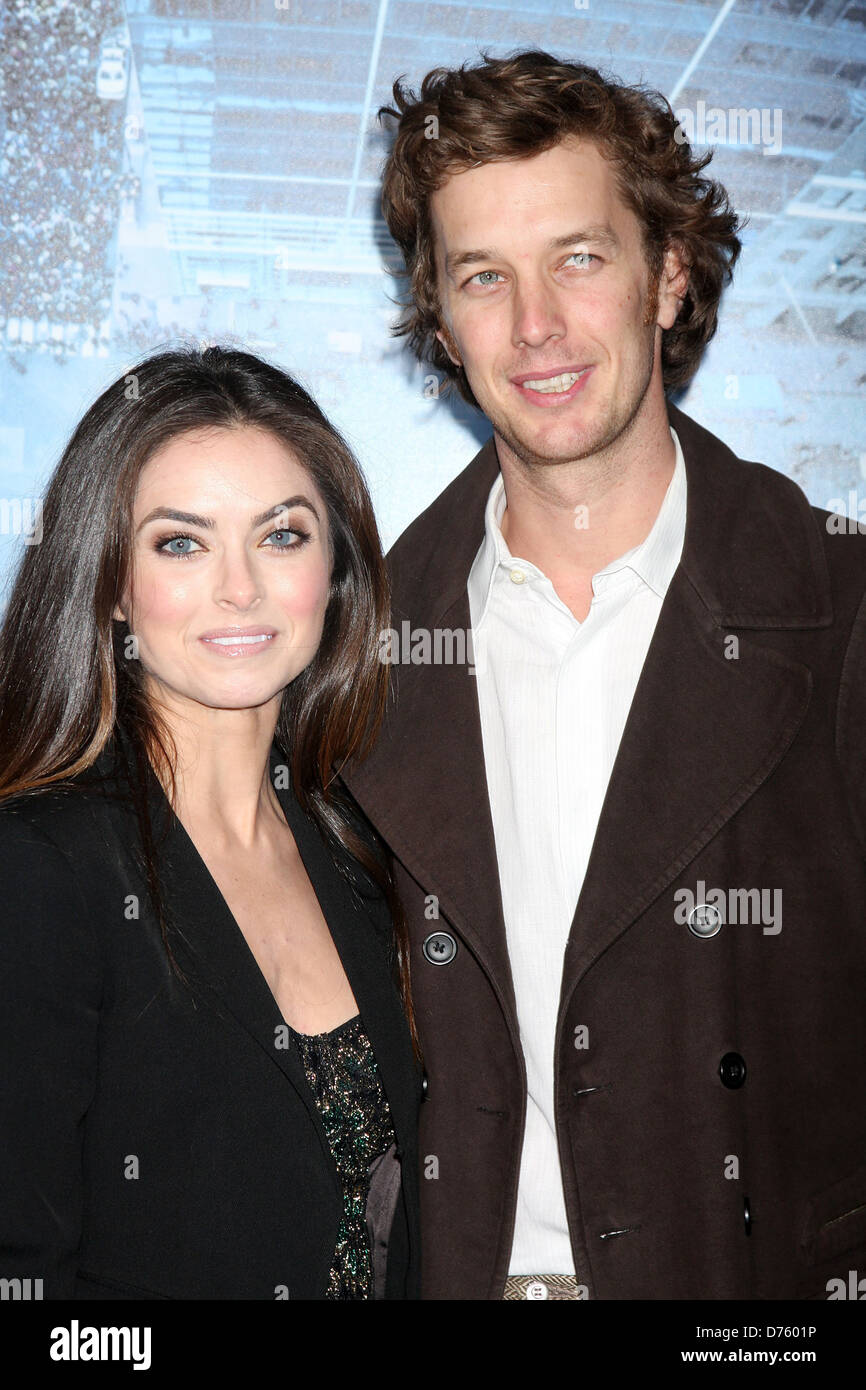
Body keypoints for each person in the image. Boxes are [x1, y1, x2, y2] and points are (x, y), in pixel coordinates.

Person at [339, 49, 866, 1300]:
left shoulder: (841, 614)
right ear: (442, 320)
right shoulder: (356, 650)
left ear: (666, 276)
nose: (534, 326)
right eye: (483, 276)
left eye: (577, 257)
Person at [0, 344, 422, 1300]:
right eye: (181, 542)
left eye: (282, 536)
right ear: (111, 583)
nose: (241, 587)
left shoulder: (363, 849)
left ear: (337, 568)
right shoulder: (39, 867)